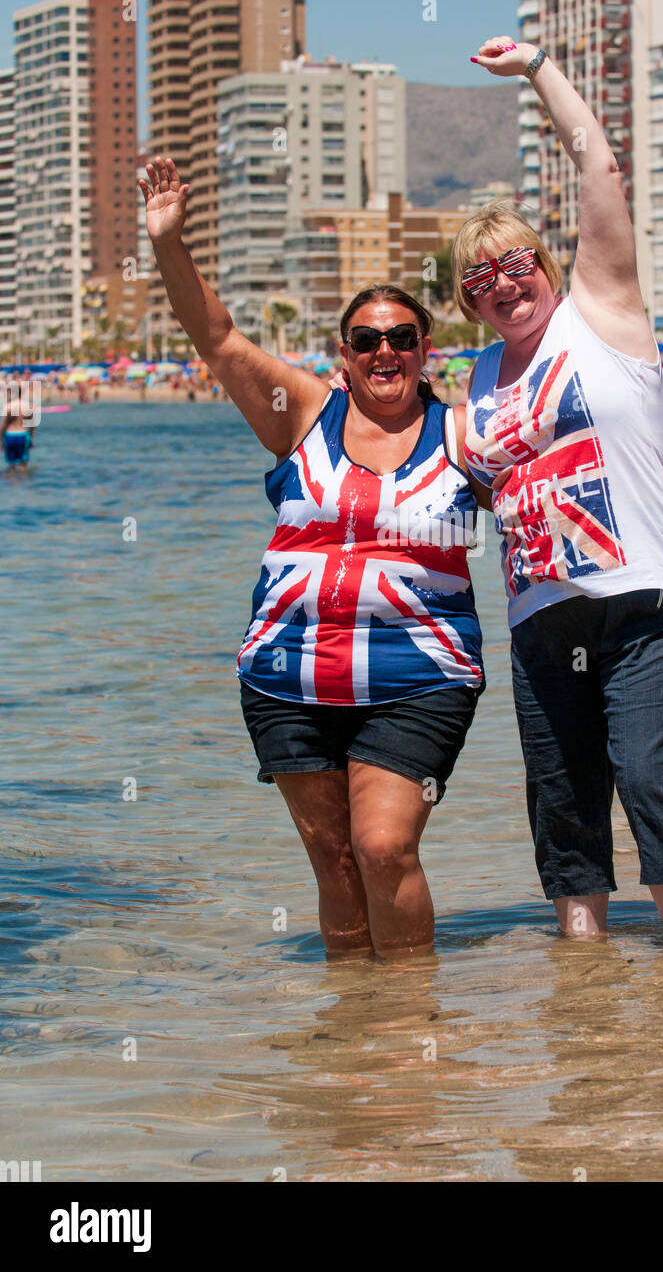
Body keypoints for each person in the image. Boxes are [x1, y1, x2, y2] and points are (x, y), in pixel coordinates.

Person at [138, 156, 487, 961]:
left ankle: (405, 1026)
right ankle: (347, 1046)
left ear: (426, 347)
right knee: (334, 866)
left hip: (419, 677)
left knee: (382, 847)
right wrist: (168, 243)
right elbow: (217, 336)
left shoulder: (466, 434)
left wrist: (658, 490)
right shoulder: (301, 414)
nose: (385, 352)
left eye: (402, 338)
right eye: (367, 340)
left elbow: (551, 488)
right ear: (344, 354)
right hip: (284, 678)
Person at [457, 36, 663, 956]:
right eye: (479, 280)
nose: (503, 283)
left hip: (644, 596)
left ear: (546, 262)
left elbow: (597, 166)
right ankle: (583, 975)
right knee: (561, 797)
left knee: (648, 774)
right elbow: (461, 490)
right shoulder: (477, 380)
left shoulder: (601, 309)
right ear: (469, 305)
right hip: (541, 613)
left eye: (515, 261)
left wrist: (535, 72)